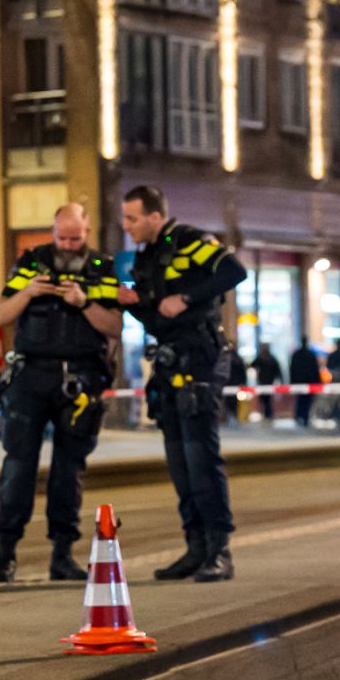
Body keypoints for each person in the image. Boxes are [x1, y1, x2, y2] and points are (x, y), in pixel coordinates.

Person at [118, 185, 246, 583]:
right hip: (169, 362)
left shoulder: (189, 241)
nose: (128, 227)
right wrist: (134, 305)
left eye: (133, 218)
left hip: (199, 360)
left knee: (200, 457)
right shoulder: (146, 257)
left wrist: (187, 299)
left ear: (155, 217)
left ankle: (219, 550)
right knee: (179, 462)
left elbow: (234, 271)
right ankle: (195, 548)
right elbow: (158, 317)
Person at [0, 203, 122, 583]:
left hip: (79, 380)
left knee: (69, 470)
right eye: (61, 237)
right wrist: (28, 292)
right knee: (18, 466)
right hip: (31, 377)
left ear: (87, 232)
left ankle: (62, 555)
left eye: (75, 238)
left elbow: (114, 326)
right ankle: (5, 555)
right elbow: (0, 316)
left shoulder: (101, 269)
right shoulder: (31, 263)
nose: (67, 245)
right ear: (53, 231)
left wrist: (84, 303)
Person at [289, 336, 321, 427]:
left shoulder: (297, 354)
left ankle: (300, 416)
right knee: (306, 400)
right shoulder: (310, 354)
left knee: (301, 399)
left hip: (300, 382)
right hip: (308, 382)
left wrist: (292, 381)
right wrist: (317, 381)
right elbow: (315, 369)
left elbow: (292, 369)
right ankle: (304, 417)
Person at [254, 341, 283, 421]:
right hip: (262, 382)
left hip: (269, 382)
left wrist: (280, 381)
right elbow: (253, 364)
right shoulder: (260, 358)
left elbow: (278, 371)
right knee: (263, 399)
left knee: (268, 399)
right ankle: (265, 414)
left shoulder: (272, 359)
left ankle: (268, 414)